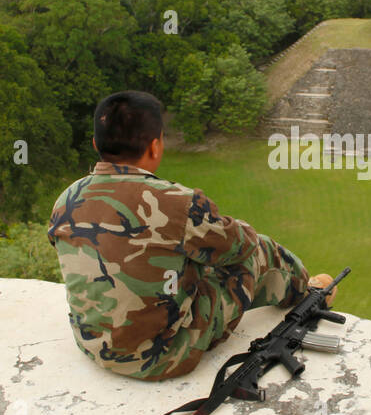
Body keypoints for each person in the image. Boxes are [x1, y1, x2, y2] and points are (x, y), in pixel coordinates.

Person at [48, 90, 335, 380]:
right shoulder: (176, 202)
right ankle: (310, 292)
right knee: (261, 251)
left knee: (179, 259)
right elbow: (241, 246)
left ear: (96, 143)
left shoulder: (66, 199)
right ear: (155, 147)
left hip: (93, 345)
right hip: (166, 356)